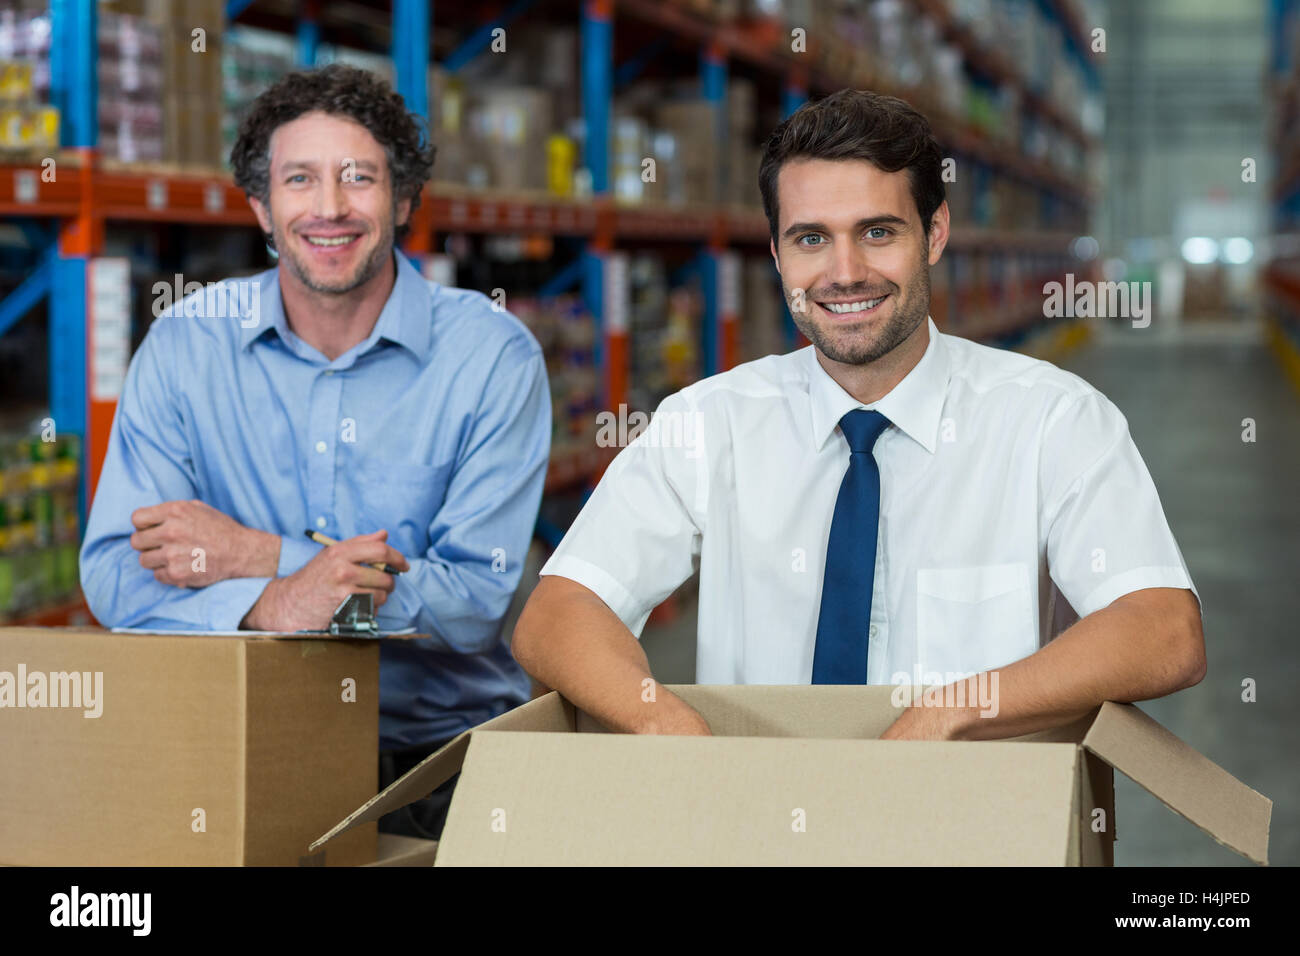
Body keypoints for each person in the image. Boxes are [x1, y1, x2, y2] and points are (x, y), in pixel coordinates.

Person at [512, 89, 1205, 742]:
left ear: (934, 234)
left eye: (877, 232)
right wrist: (670, 726)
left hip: (972, 821)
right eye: (811, 239)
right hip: (761, 816)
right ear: (777, 251)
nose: (844, 272)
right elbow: (557, 616)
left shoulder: (1052, 420)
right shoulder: (709, 423)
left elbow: (1163, 630)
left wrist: (949, 714)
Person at [79, 65, 551, 838]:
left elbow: (472, 606)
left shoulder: (492, 358)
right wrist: (279, 602)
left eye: (358, 178)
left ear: (402, 201)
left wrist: (257, 555)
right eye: (299, 180)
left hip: (441, 757)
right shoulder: (184, 347)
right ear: (263, 208)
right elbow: (113, 577)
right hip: (241, 735)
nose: (329, 208)